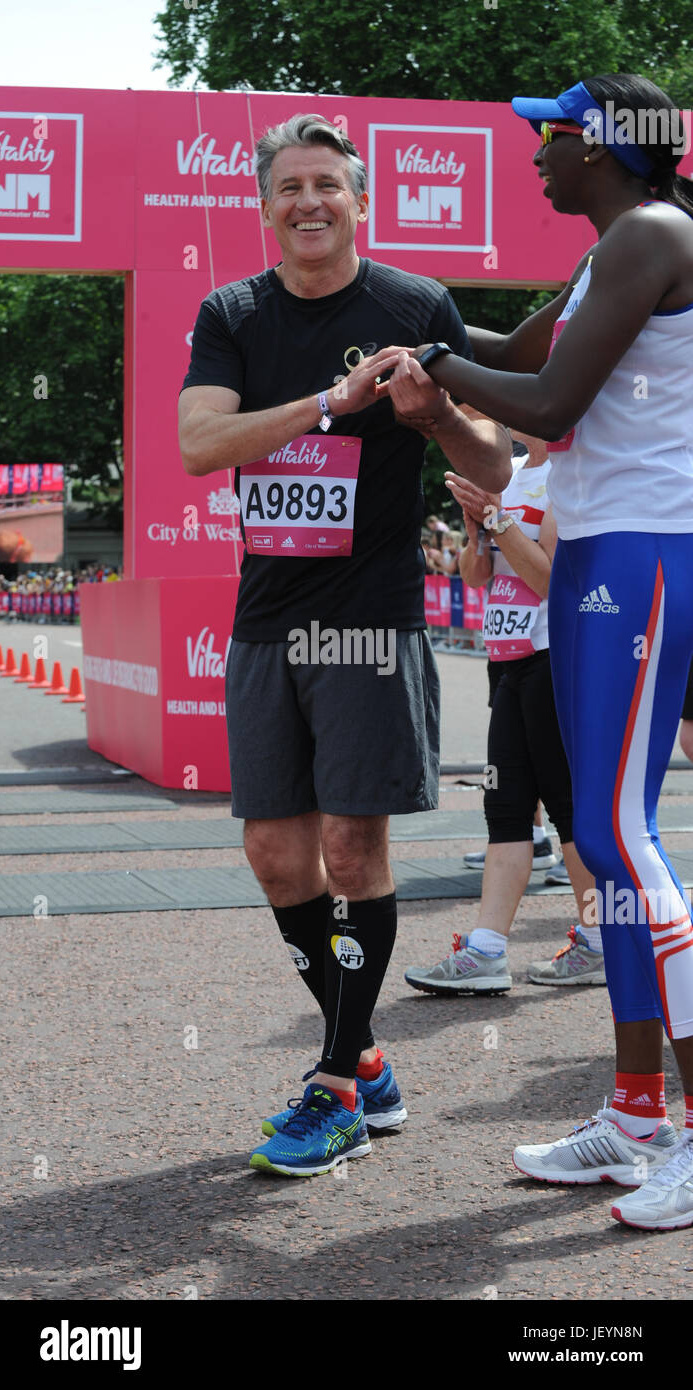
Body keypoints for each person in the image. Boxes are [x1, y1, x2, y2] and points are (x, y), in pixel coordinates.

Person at [383, 74, 693, 1230]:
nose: (532, 155)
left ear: (600, 146)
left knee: (619, 838)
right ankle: (635, 1113)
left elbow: (547, 403)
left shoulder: (652, 233)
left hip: (643, 555)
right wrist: (397, 313)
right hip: (606, 553)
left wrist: (432, 367)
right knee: (609, 844)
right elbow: (498, 346)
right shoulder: (613, 249)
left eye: (546, 136)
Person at [178, 113, 512, 1178]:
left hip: (370, 618)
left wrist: (430, 419)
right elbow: (198, 443)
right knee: (276, 856)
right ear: (265, 208)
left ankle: (333, 1088)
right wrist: (328, 401)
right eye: (289, 187)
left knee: (354, 853)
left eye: (327, 184)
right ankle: (364, 1053)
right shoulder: (232, 313)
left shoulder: (415, 307)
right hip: (266, 619)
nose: (309, 202)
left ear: (360, 202)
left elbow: (493, 465)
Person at [405, 427, 600, 995]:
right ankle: (487, 951)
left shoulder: (570, 474)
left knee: (567, 808)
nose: (506, 411)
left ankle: (600, 941)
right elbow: (475, 576)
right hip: (508, 661)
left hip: (553, 658)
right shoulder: (507, 474)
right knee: (506, 807)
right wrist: (476, 535)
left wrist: (497, 519)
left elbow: (550, 578)